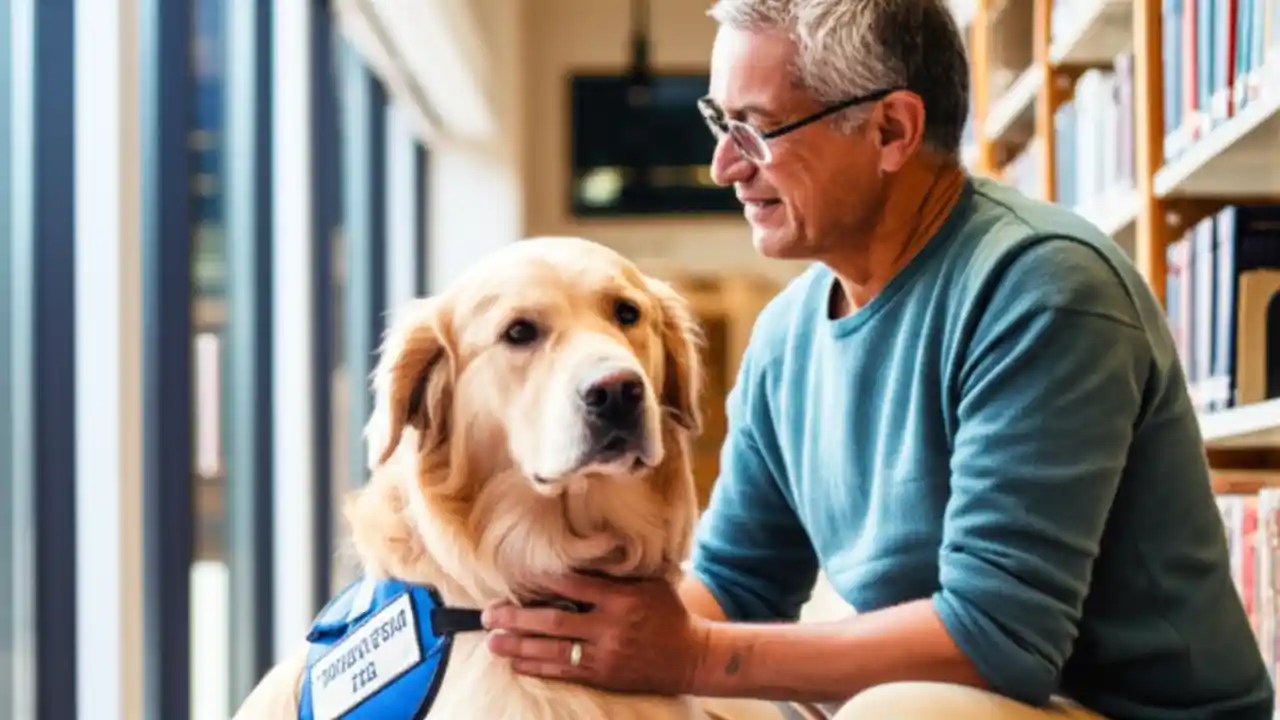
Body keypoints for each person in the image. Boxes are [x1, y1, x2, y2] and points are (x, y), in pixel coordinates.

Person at [481, 1, 1276, 718]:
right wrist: (567, 647)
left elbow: (995, 640)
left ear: (891, 130)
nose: (725, 165)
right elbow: (736, 585)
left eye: (754, 128)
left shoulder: (1043, 287)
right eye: (719, 125)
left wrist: (688, 654)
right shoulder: (788, 333)